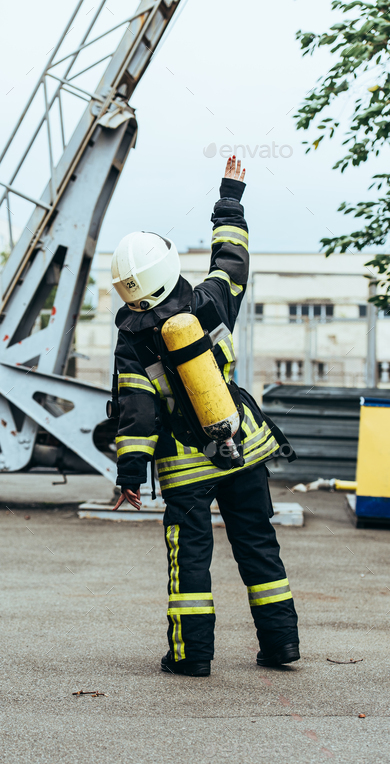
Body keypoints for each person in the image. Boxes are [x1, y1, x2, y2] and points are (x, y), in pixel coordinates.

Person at [110, 157, 300, 677]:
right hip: (243, 447)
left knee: (189, 562)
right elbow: (232, 257)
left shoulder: (132, 339)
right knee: (260, 549)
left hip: (185, 466)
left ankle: (192, 656)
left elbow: (137, 412)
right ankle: (281, 647)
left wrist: (130, 475)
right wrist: (230, 198)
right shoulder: (211, 299)